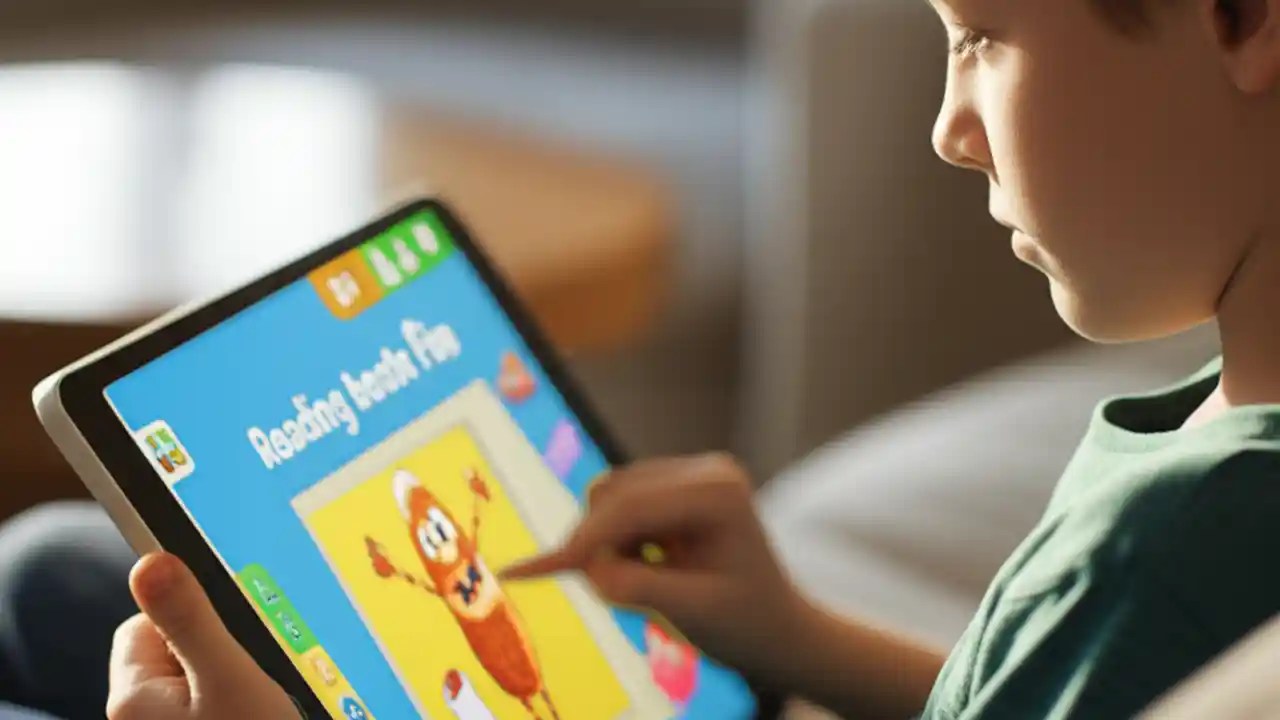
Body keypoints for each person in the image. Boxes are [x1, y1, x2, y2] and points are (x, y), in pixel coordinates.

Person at [87, 0, 1280, 717]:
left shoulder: (1167, 543)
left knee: (67, 590)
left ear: (1238, 17)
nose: (948, 130)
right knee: (64, 573)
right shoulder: (1213, 492)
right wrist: (795, 637)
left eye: (981, 37)